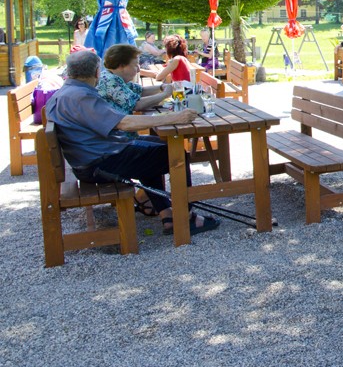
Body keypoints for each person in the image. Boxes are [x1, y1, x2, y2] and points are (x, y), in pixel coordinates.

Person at [46, 51, 219, 236]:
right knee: (175, 155)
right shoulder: (81, 97)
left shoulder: (66, 92)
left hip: (90, 158)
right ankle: (187, 217)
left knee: (157, 149)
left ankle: (166, 213)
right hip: (99, 164)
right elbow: (123, 123)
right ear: (97, 72)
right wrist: (174, 117)